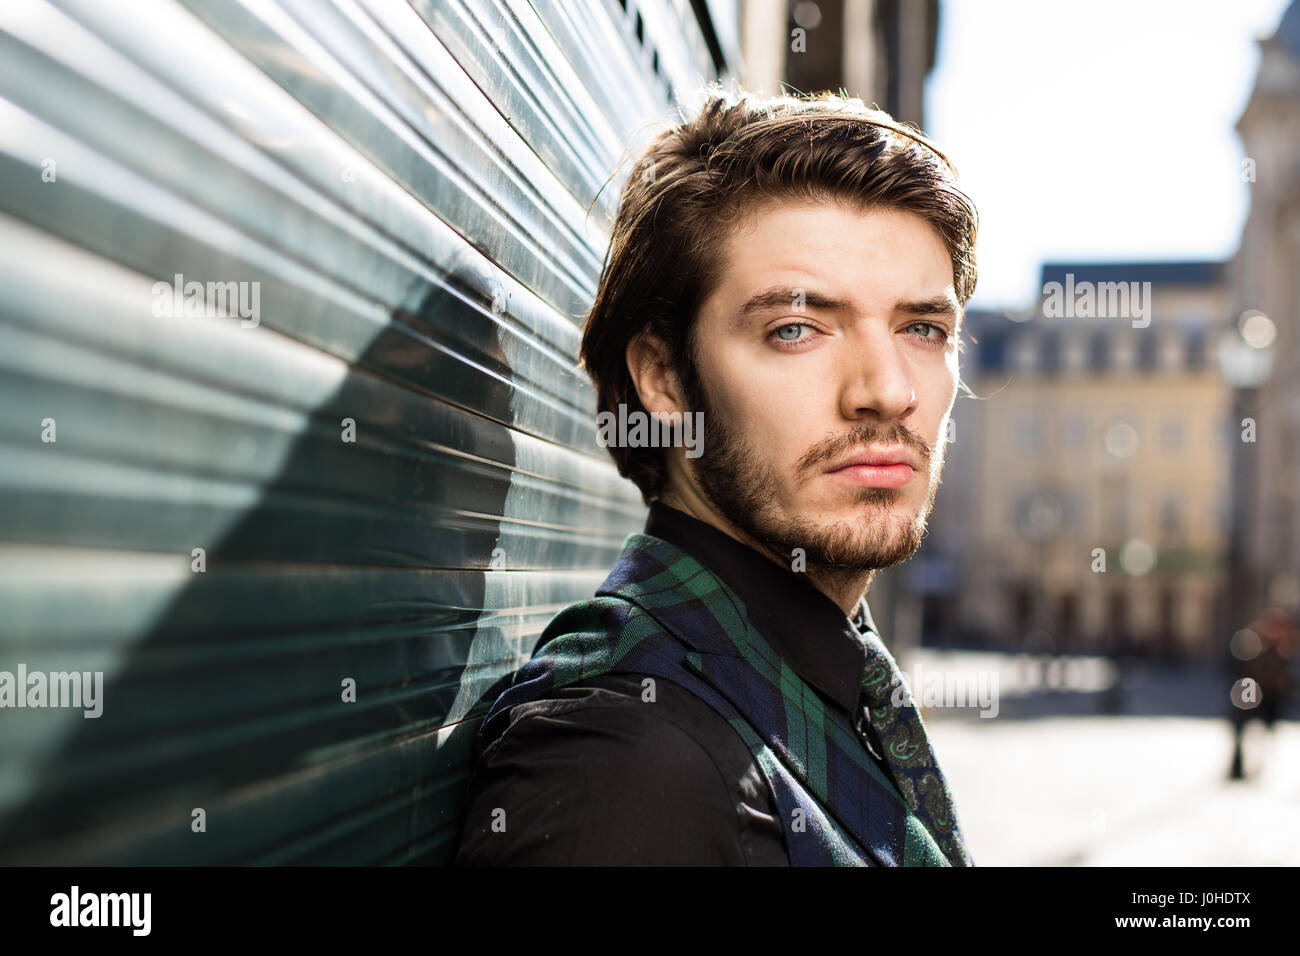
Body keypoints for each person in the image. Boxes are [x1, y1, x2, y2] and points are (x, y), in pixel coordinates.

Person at [455, 86, 979, 866]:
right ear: (663, 377)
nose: (889, 390)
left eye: (923, 328)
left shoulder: (824, 680)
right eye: (796, 329)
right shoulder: (628, 761)